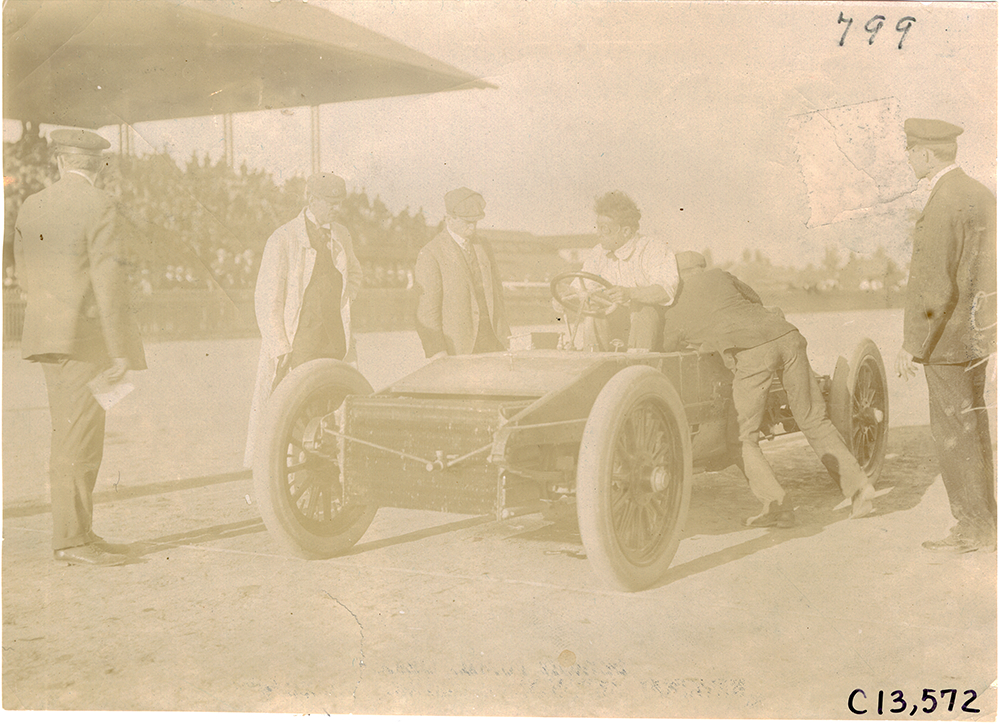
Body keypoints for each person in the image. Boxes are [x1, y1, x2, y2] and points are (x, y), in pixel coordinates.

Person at [661, 251, 875, 527]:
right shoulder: (722, 276)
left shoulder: (676, 302)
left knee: (741, 437)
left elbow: (668, 346)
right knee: (813, 419)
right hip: (787, 336)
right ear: (702, 267)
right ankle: (860, 489)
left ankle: (778, 507)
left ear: (677, 274)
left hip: (753, 353)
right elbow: (756, 301)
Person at [13, 129, 146, 566]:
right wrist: (121, 350)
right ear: (98, 165)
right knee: (80, 441)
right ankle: (71, 541)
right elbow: (109, 284)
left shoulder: (31, 204)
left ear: (57, 162)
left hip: (47, 338)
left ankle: (79, 531)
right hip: (85, 342)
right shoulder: (101, 205)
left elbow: (25, 273)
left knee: (70, 435)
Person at [894, 118, 997, 554]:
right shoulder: (979, 193)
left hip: (947, 341)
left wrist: (912, 345)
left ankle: (974, 528)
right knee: (973, 427)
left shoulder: (942, 203)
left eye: (910, 151)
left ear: (925, 154)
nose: (907, 158)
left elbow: (935, 286)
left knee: (954, 433)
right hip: (978, 332)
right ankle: (987, 524)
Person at [244, 173, 362, 468]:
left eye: (340, 204)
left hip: (334, 341)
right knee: (295, 412)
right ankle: (291, 470)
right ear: (312, 200)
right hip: (300, 342)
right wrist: (280, 344)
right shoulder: (283, 238)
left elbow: (356, 275)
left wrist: (341, 302)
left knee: (333, 405)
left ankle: (327, 467)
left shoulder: (342, 235)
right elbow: (267, 298)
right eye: (331, 203)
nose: (336, 209)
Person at [576, 190, 679, 350]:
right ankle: (594, 360)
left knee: (642, 309)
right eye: (598, 228)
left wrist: (630, 294)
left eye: (605, 229)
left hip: (648, 325)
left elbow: (664, 290)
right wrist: (563, 295)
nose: (598, 234)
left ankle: (638, 362)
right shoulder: (598, 252)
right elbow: (579, 286)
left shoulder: (653, 249)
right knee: (593, 313)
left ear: (625, 231)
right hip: (612, 322)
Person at [414, 187, 510, 358]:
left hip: (494, 342)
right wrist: (437, 351)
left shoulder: (484, 245)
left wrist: (507, 337)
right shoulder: (431, 253)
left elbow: (498, 295)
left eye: (476, 221)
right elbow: (427, 311)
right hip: (458, 349)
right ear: (449, 219)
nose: (473, 227)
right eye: (467, 222)